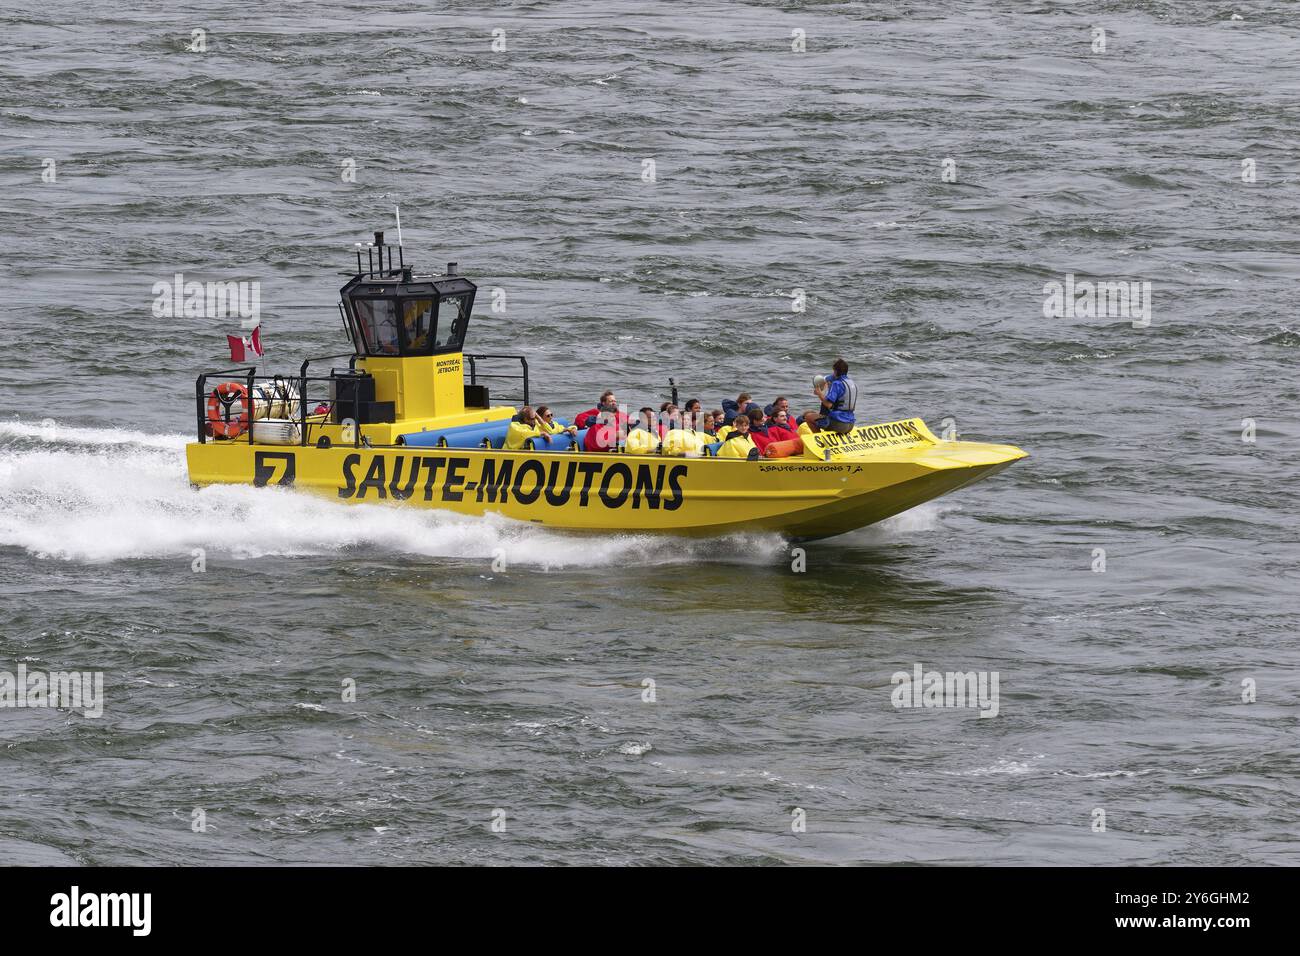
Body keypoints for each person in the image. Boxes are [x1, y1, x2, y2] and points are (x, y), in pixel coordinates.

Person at [814, 358, 857, 434]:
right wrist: (824, 380)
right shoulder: (851, 383)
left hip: (840, 424)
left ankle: (819, 442)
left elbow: (828, 404)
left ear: (836, 371)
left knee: (809, 418)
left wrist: (819, 393)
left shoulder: (836, 384)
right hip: (851, 424)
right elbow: (829, 377)